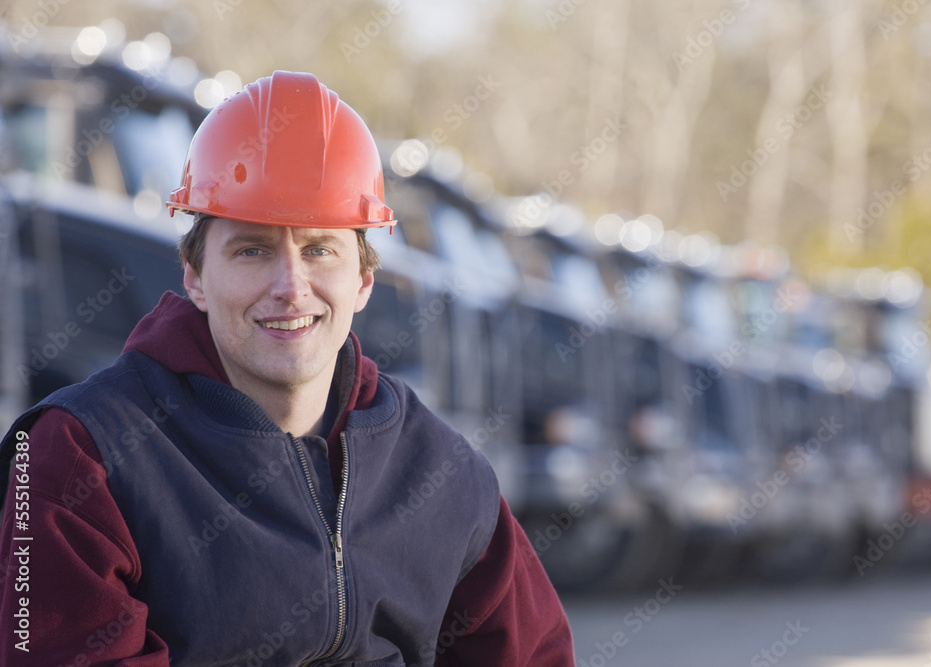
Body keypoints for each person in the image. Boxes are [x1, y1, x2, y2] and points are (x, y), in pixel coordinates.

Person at [0, 70, 574, 666]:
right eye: (253, 249)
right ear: (195, 275)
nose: (290, 287)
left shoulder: (440, 470)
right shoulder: (80, 454)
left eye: (319, 249)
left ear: (364, 280)